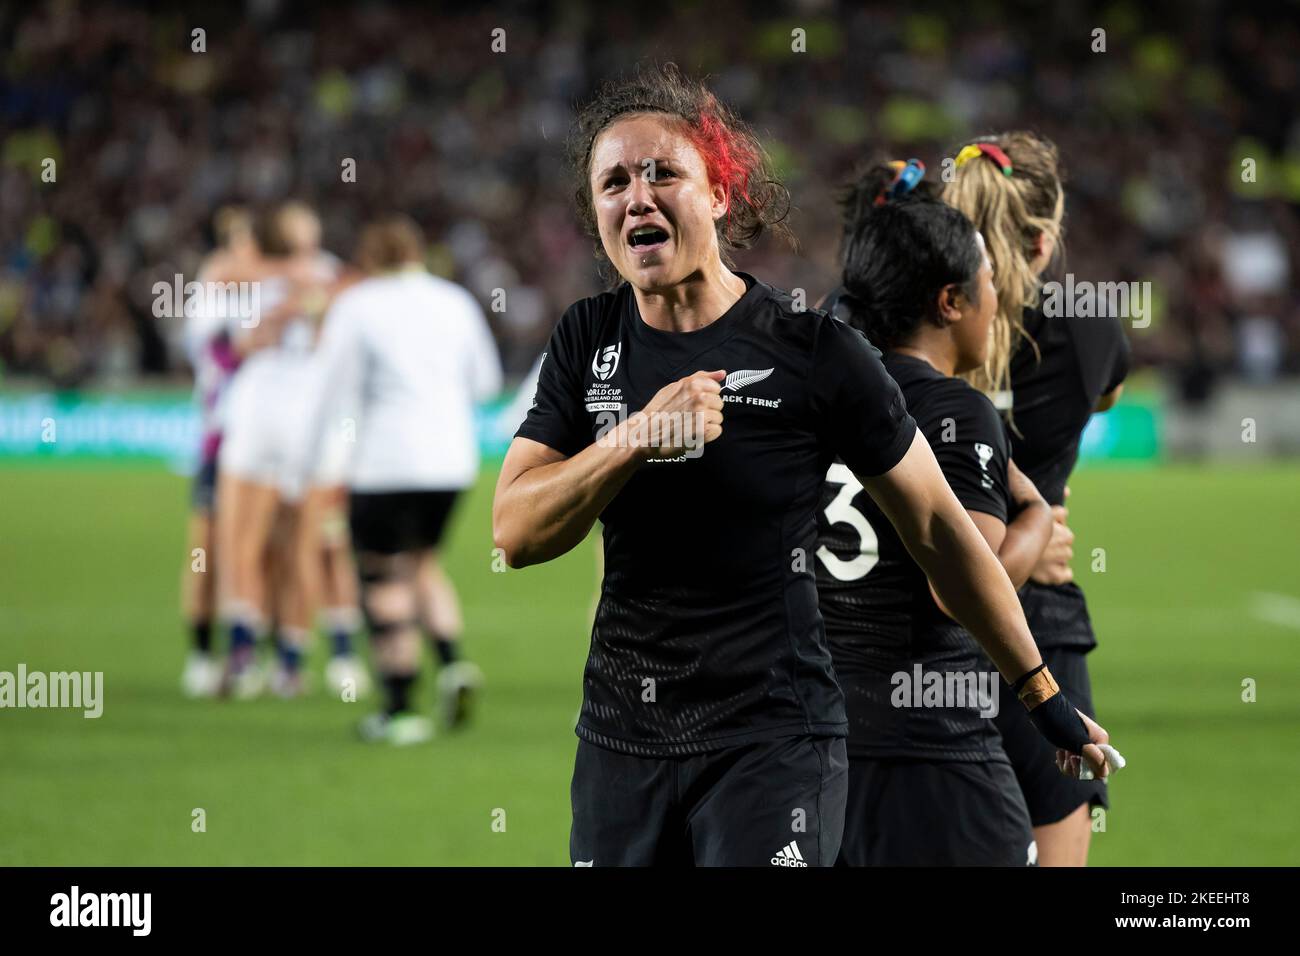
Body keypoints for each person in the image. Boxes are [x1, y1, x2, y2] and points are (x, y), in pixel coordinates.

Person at [493, 65, 1114, 867]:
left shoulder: (811, 352)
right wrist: (634, 438)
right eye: (613, 182)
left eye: (663, 174)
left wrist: (1041, 694)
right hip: (622, 743)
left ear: (719, 193)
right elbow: (514, 532)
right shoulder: (586, 340)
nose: (637, 196)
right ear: (597, 214)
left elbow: (938, 529)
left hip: (773, 743)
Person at [816, 170, 1053, 865]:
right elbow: (967, 587)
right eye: (986, 281)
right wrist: (1035, 517)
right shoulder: (954, 409)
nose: (998, 298)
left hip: (820, 747)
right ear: (950, 301)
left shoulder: (821, 391)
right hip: (935, 753)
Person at [942, 133, 1131, 866]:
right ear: (1045, 239)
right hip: (1038, 625)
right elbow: (1109, 391)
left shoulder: (894, 314)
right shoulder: (1087, 327)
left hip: (905, 637)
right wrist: (1036, 514)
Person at [310, 215, 501, 744]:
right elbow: (484, 382)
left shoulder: (357, 305)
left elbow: (333, 386)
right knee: (423, 562)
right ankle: (453, 664)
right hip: (449, 463)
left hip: (383, 464)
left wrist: (322, 463)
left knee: (381, 576)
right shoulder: (455, 301)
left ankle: (400, 708)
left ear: (371, 257)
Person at [216, 202, 341, 698]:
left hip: (276, 416)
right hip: (287, 416)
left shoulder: (256, 276)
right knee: (277, 545)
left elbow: (242, 339)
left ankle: (261, 659)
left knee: (261, 543)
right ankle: (275, 660)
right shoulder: (315, 275)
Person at [179, 206, 256, 698]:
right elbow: (216, 353)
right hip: (219, 440)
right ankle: (202, 654)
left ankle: (248, 656)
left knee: (256, 550)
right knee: (204, 548)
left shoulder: (273, 291)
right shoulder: (210, 296)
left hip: (267, 445)